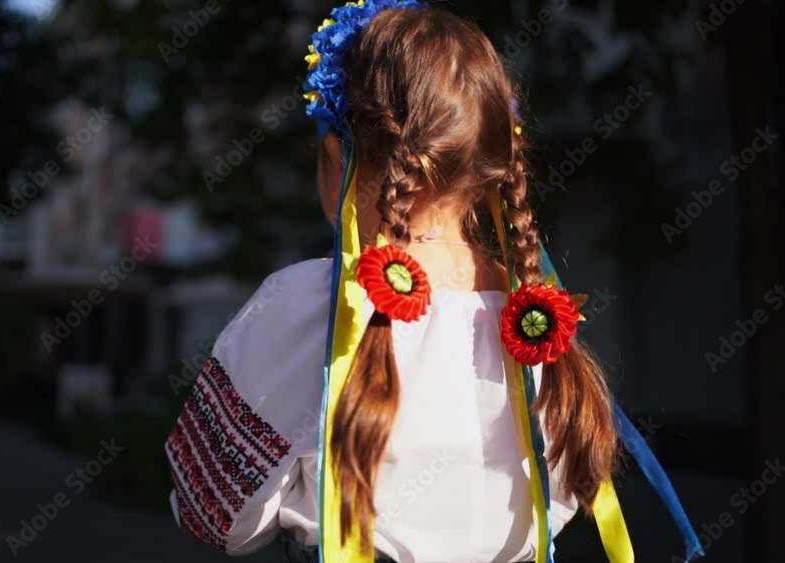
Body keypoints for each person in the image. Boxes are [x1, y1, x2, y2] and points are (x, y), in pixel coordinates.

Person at [166, 2, 700, 562]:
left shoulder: (306, 305)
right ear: (488, 168)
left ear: (334, 158)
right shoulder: (538, 317)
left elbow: (214, 512)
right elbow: (567, 491)